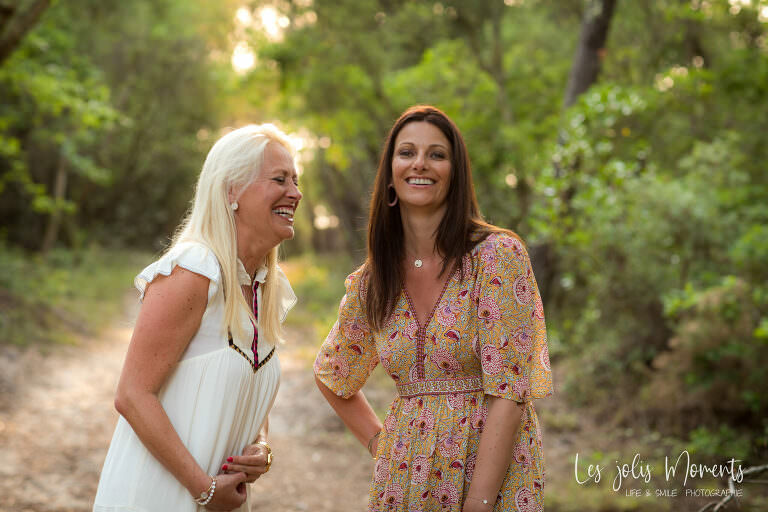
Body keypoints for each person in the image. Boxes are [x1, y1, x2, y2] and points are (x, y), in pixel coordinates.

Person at [314, 105, 553, 512]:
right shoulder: (374, 280)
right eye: (406, 152)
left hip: (493, 479)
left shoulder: (496, 258)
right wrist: (383, 445)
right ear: (390, 172)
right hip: (404, 484)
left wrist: (478, 502)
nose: (420, 163)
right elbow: (333, 374)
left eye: (437, 154)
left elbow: (510, 394)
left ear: (455, 173)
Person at [94, 124, 301, 511]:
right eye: (279, 179)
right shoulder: (194, 269)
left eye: (295, 180)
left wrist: (261, 446)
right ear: (231, 191)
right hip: (159, 496)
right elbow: (132, 395)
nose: (295, 192)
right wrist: (203, 488)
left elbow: (245, 391)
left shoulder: (266, 286)